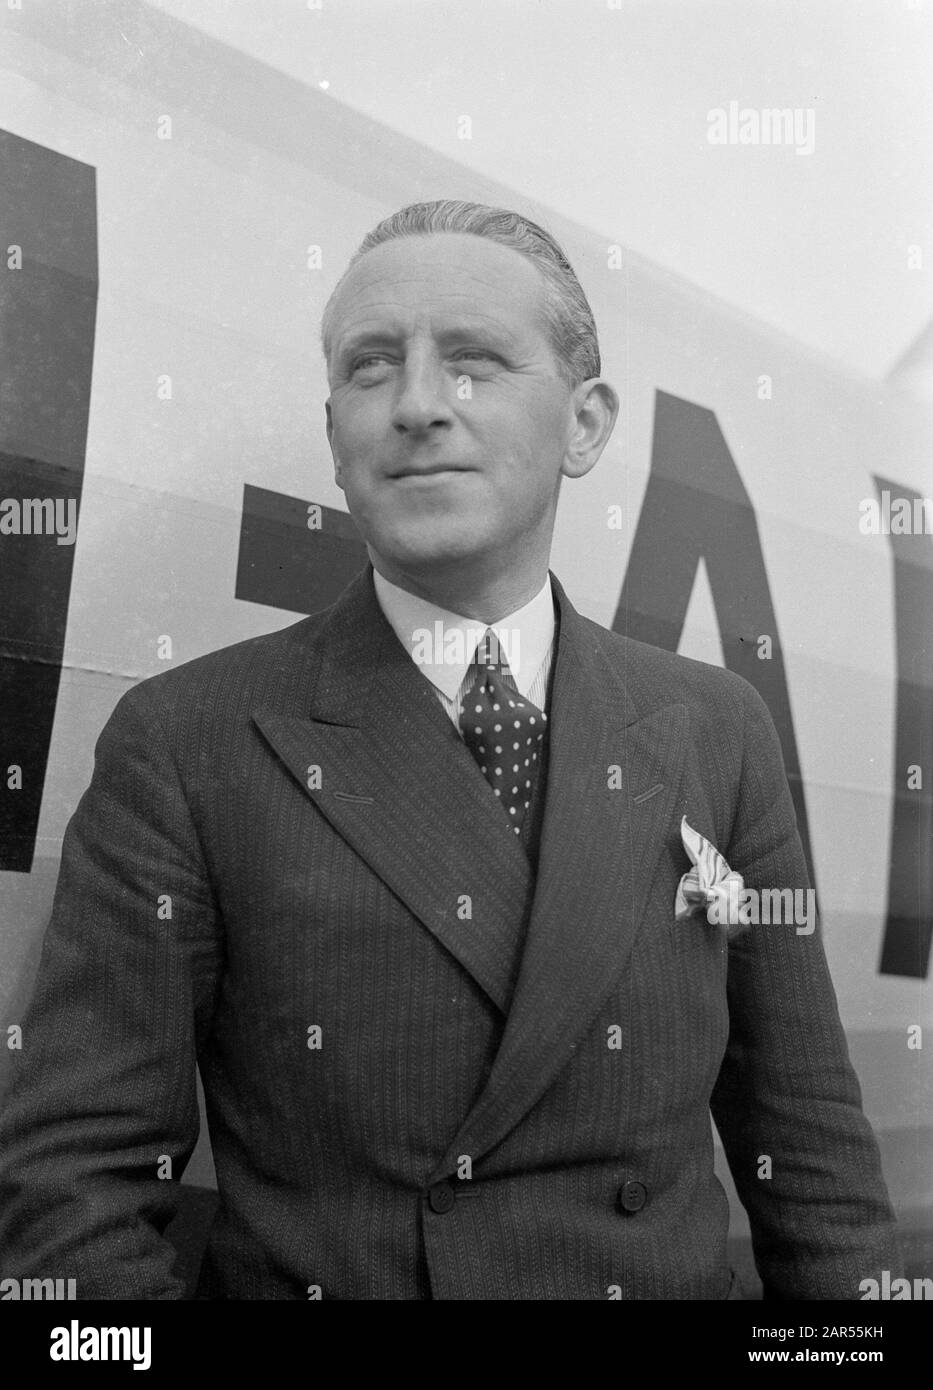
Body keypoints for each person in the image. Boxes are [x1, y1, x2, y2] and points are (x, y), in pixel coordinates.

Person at [0, 200, 901, 1300]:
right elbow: (76, 1193)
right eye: (372, 367)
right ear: (335, 430)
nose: (419, 406)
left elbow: (808, 1149)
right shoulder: (187, 739)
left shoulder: (717, 728)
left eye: (474, 363)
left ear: (585, 425)